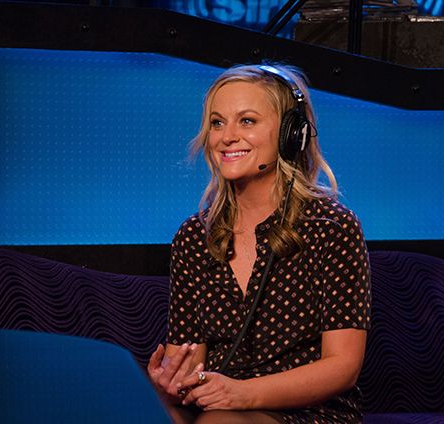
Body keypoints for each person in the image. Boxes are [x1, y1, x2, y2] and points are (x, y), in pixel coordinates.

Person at [147, 64, 371, 423]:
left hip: (307, 412)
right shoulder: (193, 237)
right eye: (217, 123)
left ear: (291, 135)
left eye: (247, 121)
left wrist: (242, 394)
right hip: (216, 406)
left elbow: (343, 367)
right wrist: (169, 385)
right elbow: (187, 364)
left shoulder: (331, 228)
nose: (226, 137)